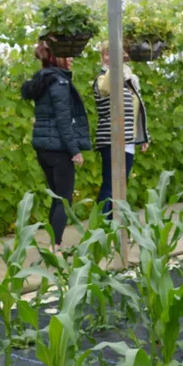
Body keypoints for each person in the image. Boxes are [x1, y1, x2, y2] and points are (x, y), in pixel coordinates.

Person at [21, 41, 91, 246]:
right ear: (58, 57)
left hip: (44, 147)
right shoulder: (59, 83)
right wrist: (75, 150)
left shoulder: (43, 79)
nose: (71, 59)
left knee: (56, 197)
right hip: (58, 148)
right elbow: (63, 120)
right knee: (64, 200)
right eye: (68, 55)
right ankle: (56, 247)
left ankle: (54, 244)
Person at [93, 45, 149, 218]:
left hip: (128, 141)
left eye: (117, 53)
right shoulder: (103, 78)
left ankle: (114, 226)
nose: (113, 57)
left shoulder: (129, 80)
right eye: (108, 54)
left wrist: (144, 135)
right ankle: (101, 227)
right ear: (103, 58)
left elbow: (136, 110)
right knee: (110, 186)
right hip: (111, 140)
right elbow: (105, 89)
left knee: (121, 187)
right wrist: (115, 66)